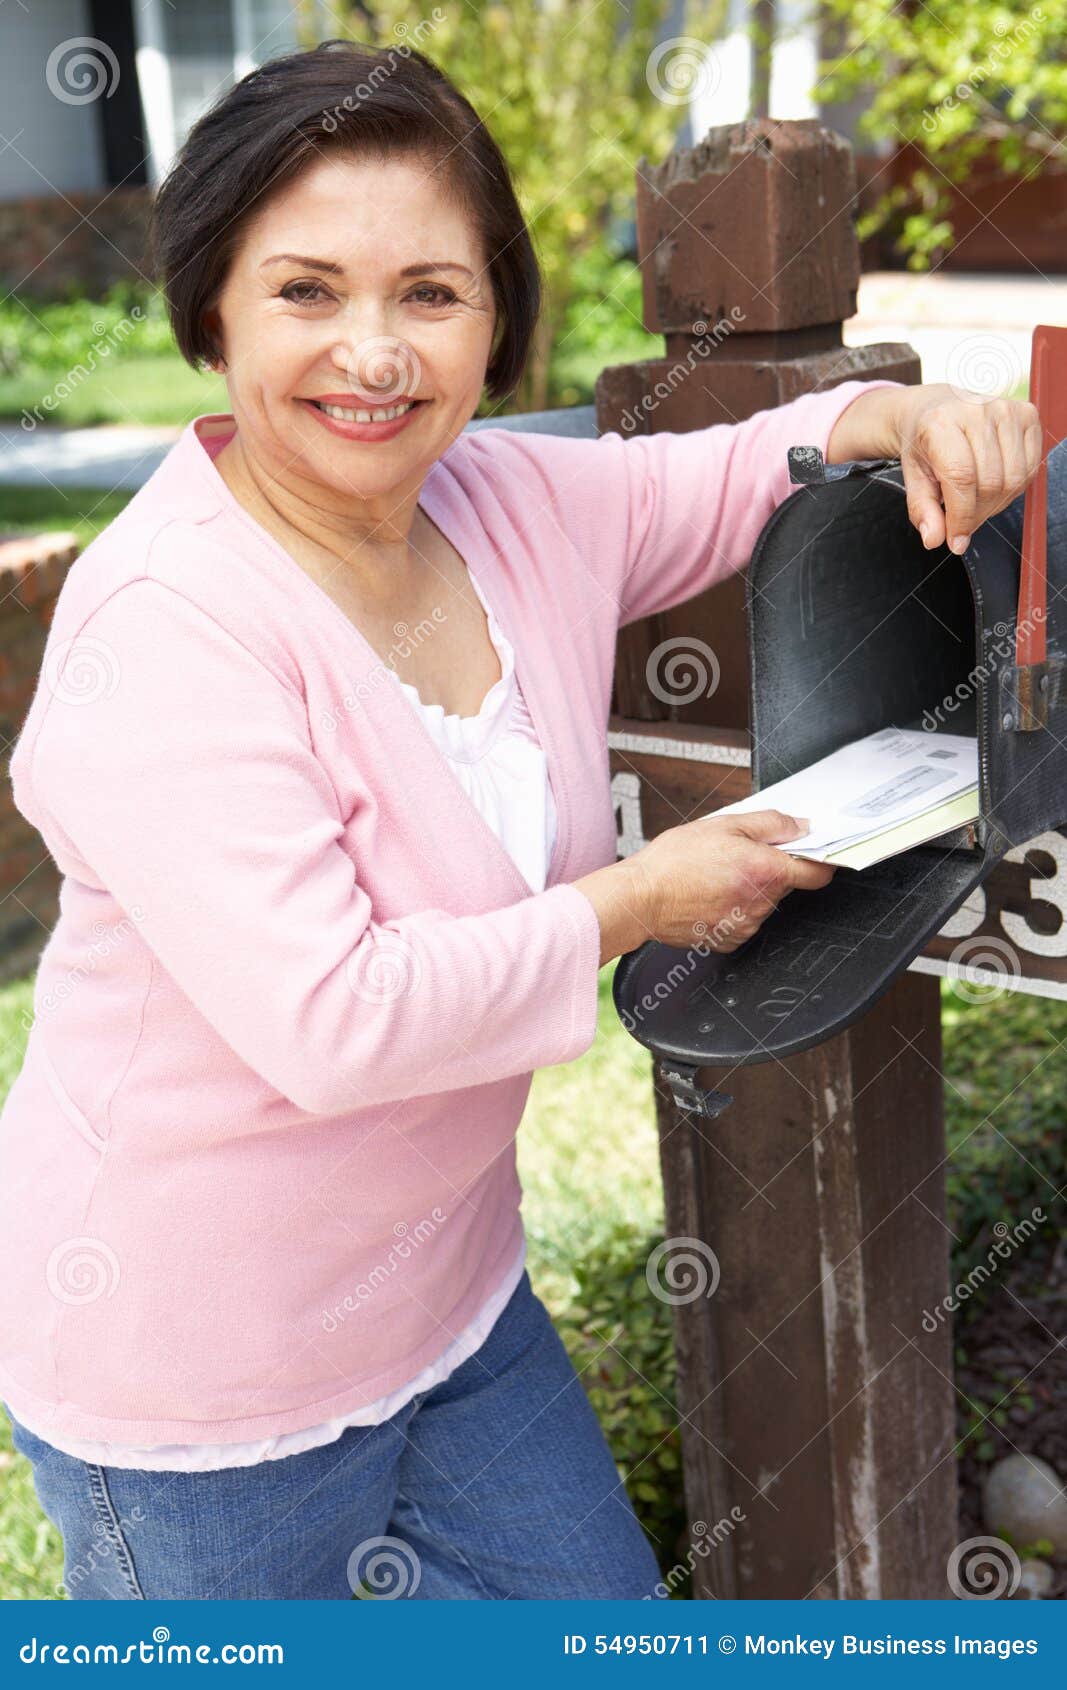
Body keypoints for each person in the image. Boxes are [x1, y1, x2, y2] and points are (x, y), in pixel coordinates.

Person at [0, 39, 1041, 1601]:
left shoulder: (498, 501)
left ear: (496, 317)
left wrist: (899, 418)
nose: (375, 352)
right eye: (306, 292)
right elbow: (342, 1020)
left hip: (454, 1306)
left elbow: (724, 470)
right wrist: (640, 900)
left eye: (432, 292)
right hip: (194, 1384)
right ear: (209, 307)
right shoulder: (162, 625)